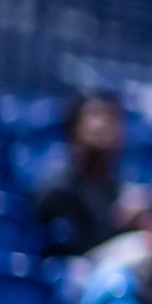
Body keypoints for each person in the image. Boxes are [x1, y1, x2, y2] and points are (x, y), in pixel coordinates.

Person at [34, 90, 125, 258]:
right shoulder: (59, 190)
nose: (104, 123)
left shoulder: (118, 190)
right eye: (96, 114)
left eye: (112, 117)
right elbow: (69, 251)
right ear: (73, 129)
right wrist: (118, 220)